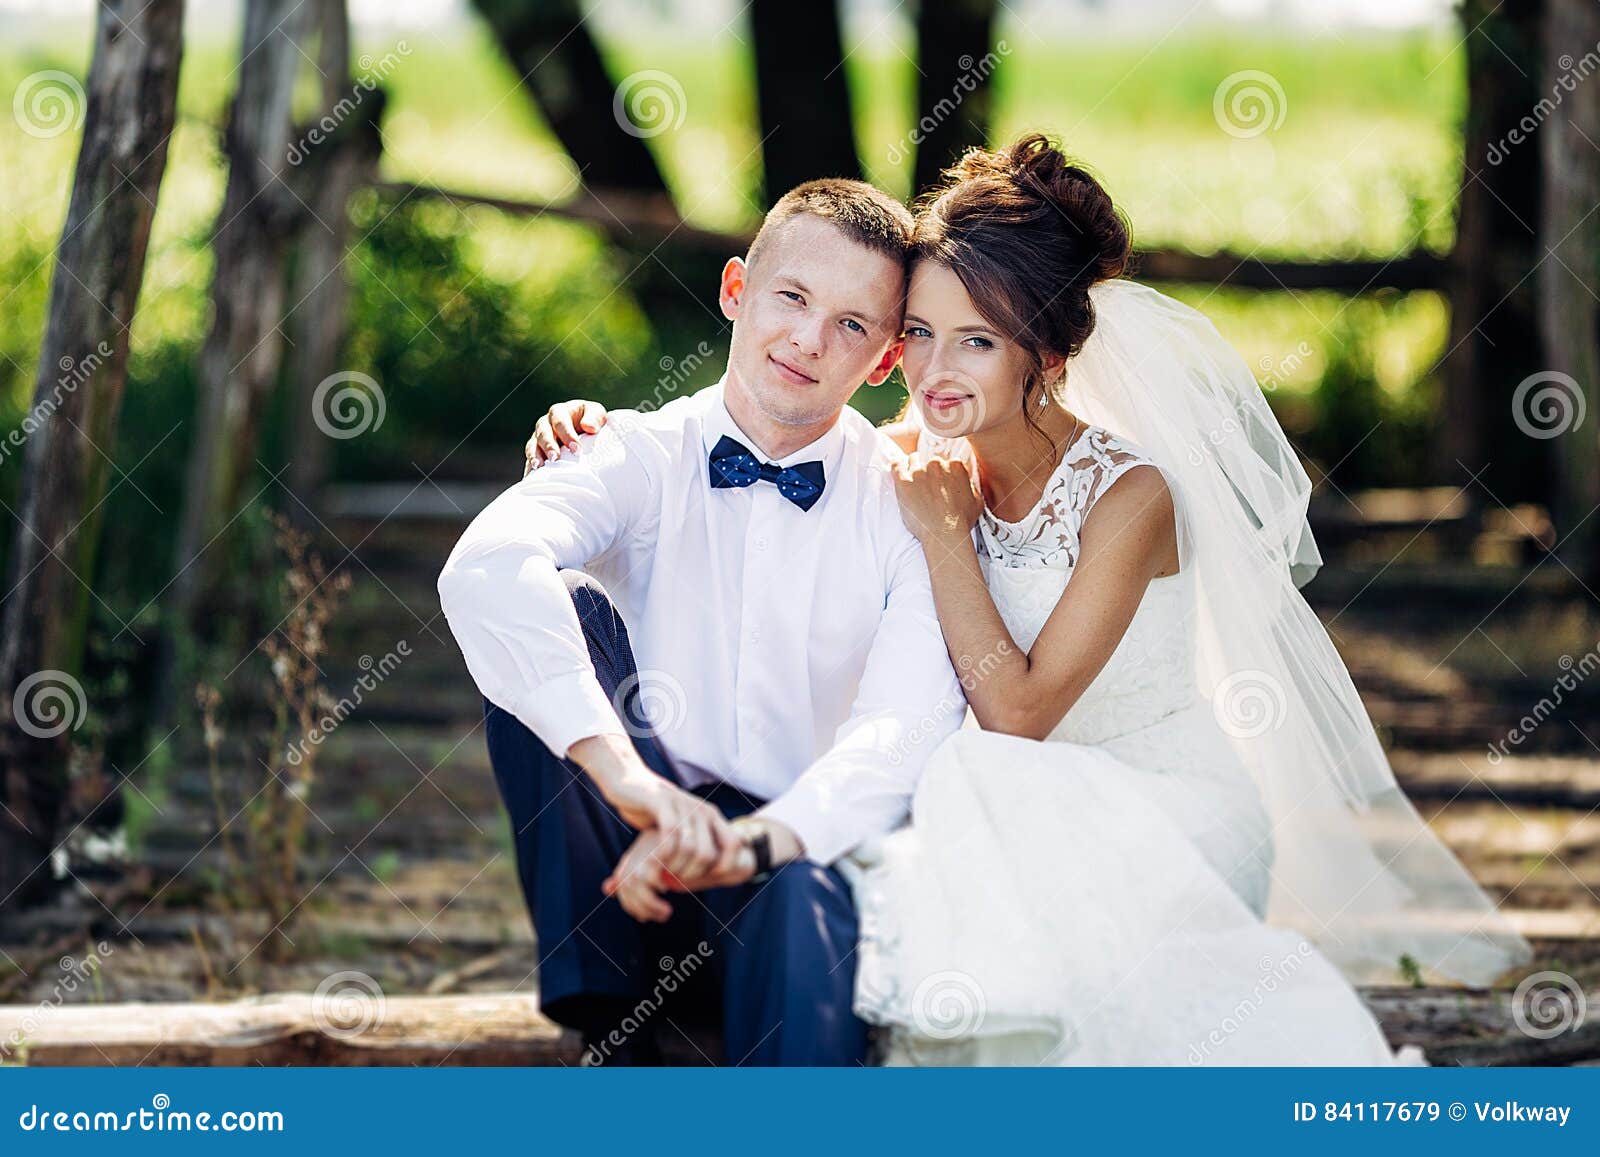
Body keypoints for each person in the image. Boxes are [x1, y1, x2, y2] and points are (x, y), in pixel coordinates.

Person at [524, 134, 1535, 1066]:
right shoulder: (915, 451)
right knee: (885, 831)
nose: (930, 369)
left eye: (976, 342)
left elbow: (1020, 713)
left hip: (1152, 803)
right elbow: (777, 455)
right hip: (992, 798)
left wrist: (944, 538)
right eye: (916, 332)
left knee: (928, 826)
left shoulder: (1129, 494)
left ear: (1045, 356)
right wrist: (608, 431)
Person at [438, 179, 965, 1067]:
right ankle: (613, 1036)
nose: (807, 338)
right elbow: (485, 564)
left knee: (803, 893)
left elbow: (902, 733)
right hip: (634, 857)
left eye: (850, 324)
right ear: (735, 292)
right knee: (555, 610)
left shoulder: (905, 507)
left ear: (882, 361)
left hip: (789, 863)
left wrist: (754, 842)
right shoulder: (631, 448)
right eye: (791, 298)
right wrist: (631, 784)